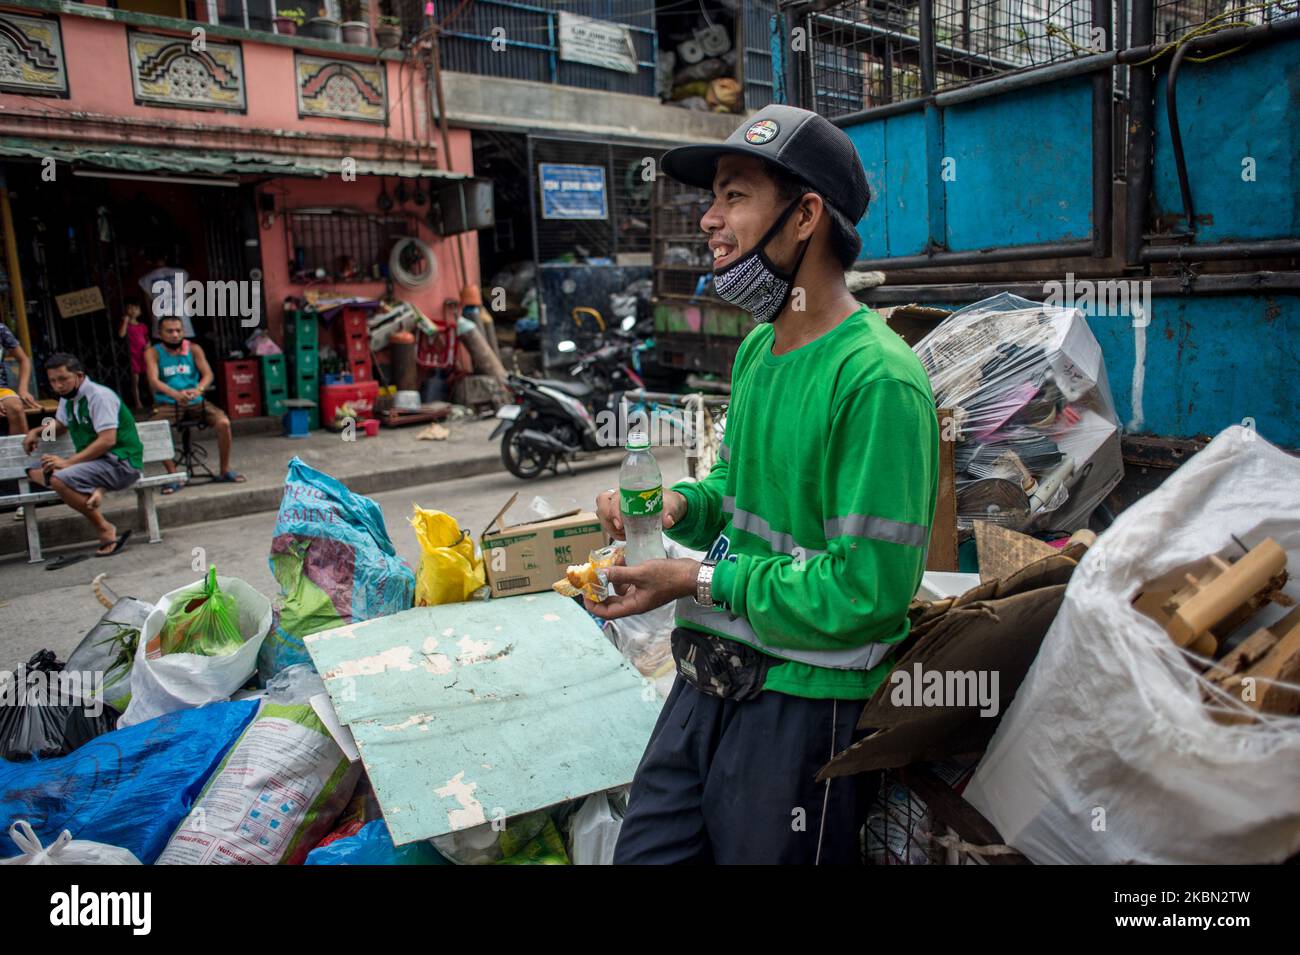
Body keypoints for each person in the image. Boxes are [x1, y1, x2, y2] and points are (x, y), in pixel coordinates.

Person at [588, 105, 939, 864]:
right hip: (704, 680)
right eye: (712, 198)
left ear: (806, 213)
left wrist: (696, 576)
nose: (709, 220)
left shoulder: (876, 379)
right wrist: (678, 505)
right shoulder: (758, 350)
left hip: (802, 711)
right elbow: (736, 488)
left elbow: (863, 592)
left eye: (734, 195)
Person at [22, 353, 141, 557]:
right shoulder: (69, 399)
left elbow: (107, 440)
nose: (58, 386)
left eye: (63, 379)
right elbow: (60, 425)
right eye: (53, 381)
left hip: (121, 462)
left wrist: (67, 463)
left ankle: (105, 528)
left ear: (79, 375)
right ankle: (96, 489)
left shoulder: (99, 396)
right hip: (97, 464)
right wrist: (36, 432)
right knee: (33, 470)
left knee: (58, 478)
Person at [144, 315, 245, 489]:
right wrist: (175, 394)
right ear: (160, 333)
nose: (175, 335)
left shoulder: (194, 349)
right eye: (170, 331)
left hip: (196, 401)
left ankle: (224, 470)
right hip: (169, 403)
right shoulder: (153, 353)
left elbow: (208, 374)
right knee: (152, 431)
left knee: (223, 423)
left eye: (178, 330)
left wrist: (198, 389)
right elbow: (153, 380)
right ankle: (174, 475)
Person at [139, 250, 195, 339]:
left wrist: (154, 323)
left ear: (148, 261)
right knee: (185, 351)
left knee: (164, 352)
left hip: (161, 324)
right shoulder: (182, 273)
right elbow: (189, 298)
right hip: (182, 322)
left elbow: (149, 306)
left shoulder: (145, 279)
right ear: (165, 257)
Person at [0, 320, 39, 437]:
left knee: (16, 407)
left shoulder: (1, 329)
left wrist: (23, 390)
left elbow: (24, 360)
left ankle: (17, 453)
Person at [117, 297, 150, 411]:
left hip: (143, 354)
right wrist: (125, 321)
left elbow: (146, 339)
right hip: (133, 355)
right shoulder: (126, 324)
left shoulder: (142, 326)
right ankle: (138, 402)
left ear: (140, 311)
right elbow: (121, 334)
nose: (133, 310)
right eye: (130, 308)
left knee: (148, 378)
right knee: (135, 380)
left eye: (136, 308)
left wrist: (148, 346)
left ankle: (153, 400)